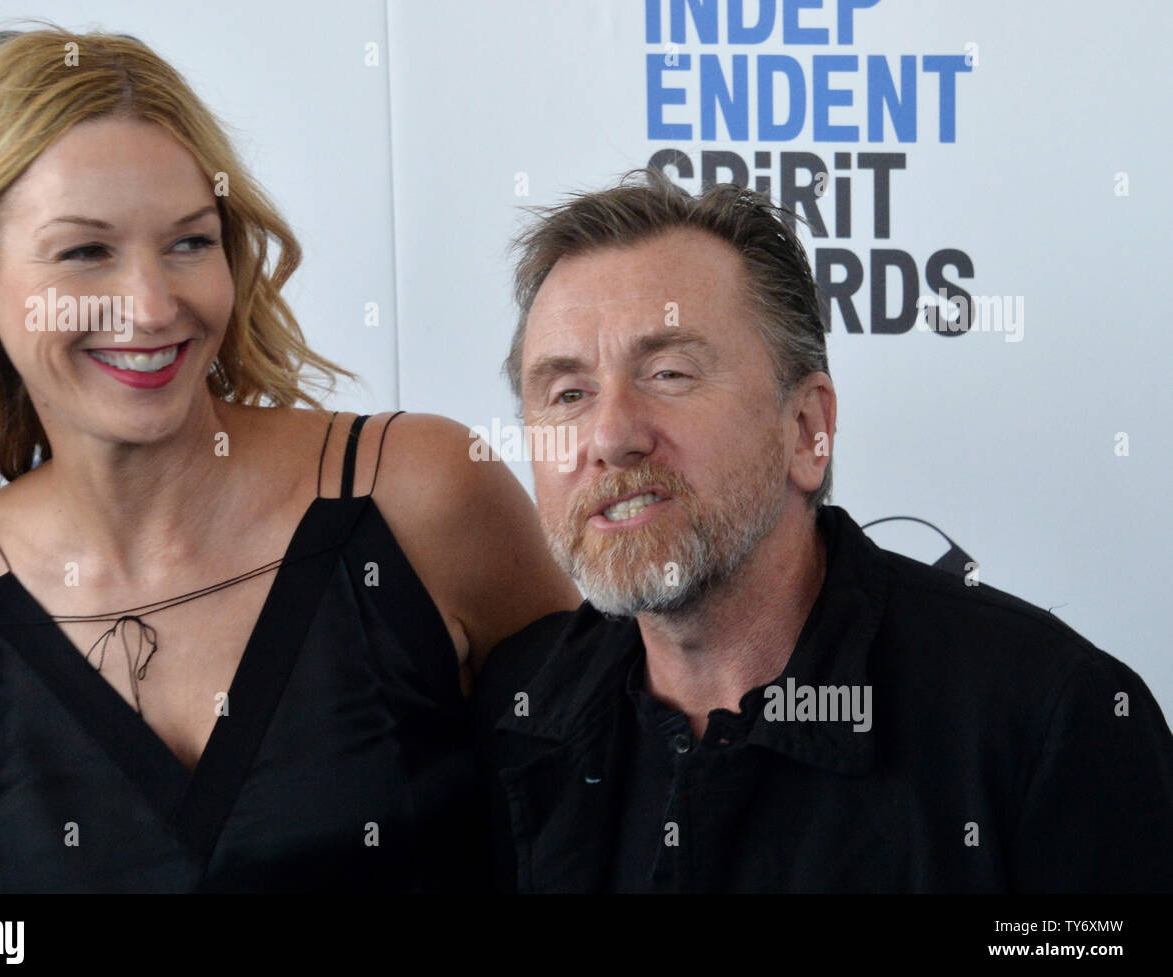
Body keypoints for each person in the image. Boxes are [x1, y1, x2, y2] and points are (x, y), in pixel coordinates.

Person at [0, 28, 579, 892]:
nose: (152, 303)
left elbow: (601, 807)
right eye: (86, 251)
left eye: (189, 242)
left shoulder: (422, 491)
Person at [472, 168, 1173, 892]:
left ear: (807, 429)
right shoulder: (515, 708)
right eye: (567, 394)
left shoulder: (1049, 724)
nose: (610, 434)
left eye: (670, 374)